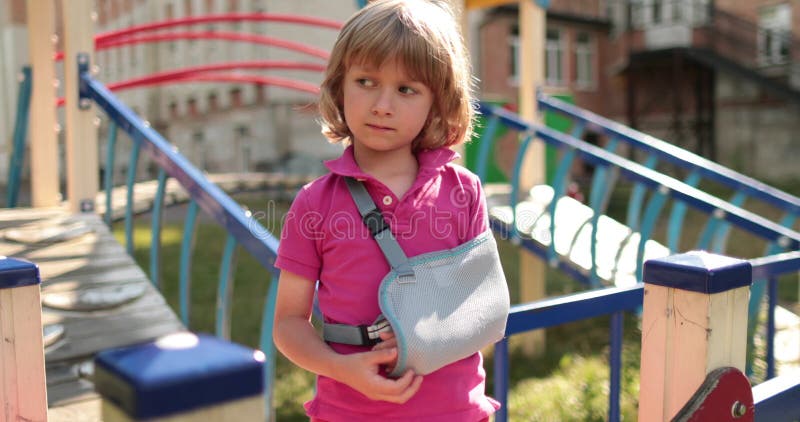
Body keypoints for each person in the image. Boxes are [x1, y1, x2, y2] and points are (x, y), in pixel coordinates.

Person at [273, 0, 500, 420]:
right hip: (348, 411)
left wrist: (427, 339)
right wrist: (341, 368)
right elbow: (288, 323)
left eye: (406, 89)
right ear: (339, 86)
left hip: (454, 412)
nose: (382, 105)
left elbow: (484, 309)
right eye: (365, 81)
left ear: (438, 100)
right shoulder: (314, 204)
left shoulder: (463, 191)